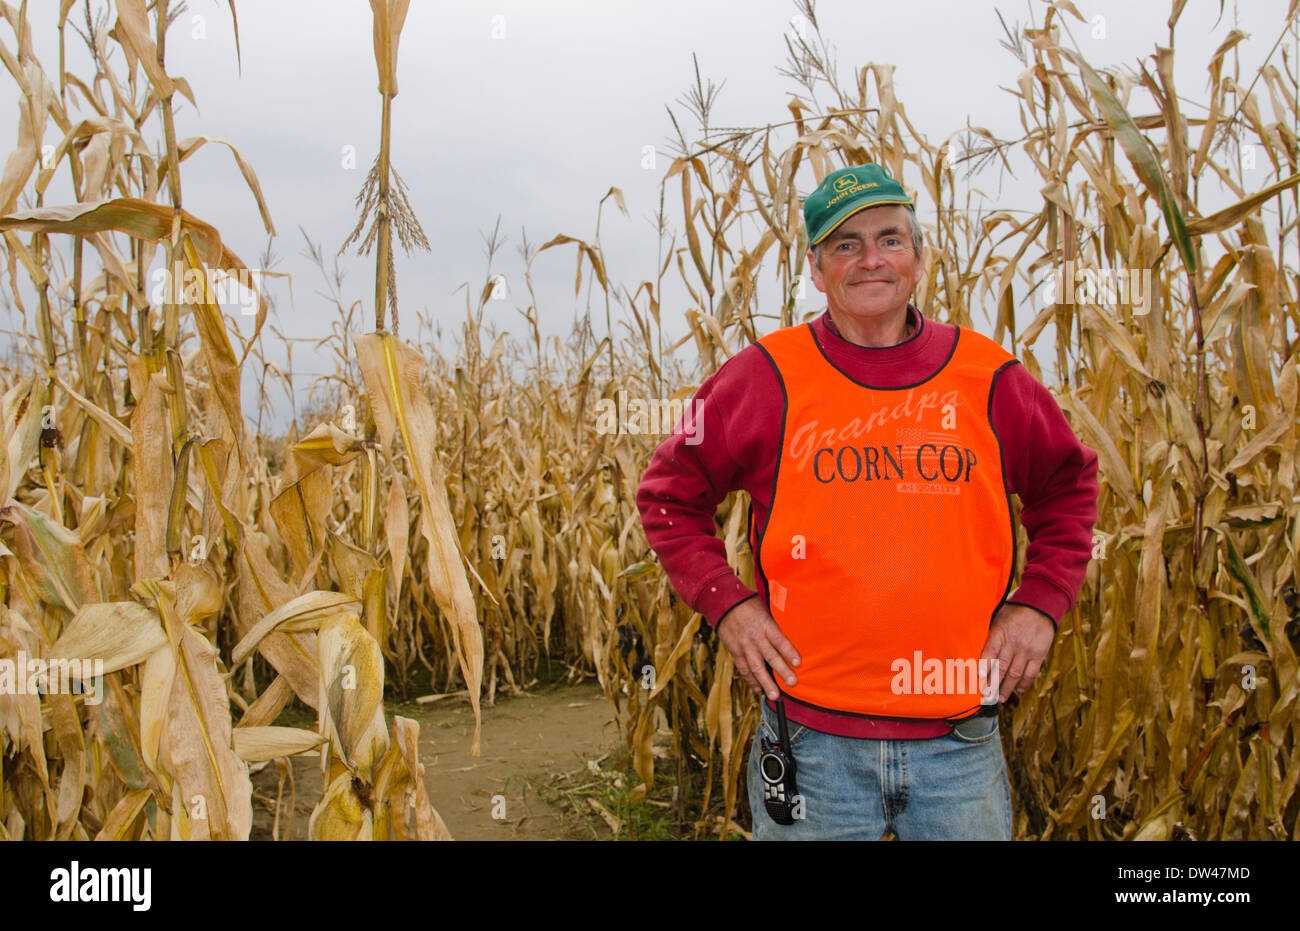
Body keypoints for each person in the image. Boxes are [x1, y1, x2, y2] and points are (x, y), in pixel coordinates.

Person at [635, 162, 1099, 840]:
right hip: (812, 743)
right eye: (845, 244)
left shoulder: (988, 376)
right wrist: (728, 606)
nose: (871, 259)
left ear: (918, 257)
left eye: (889, 238)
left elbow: (1067, 485)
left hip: (959, 743)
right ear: (816, 271)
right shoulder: (766, 376)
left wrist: (1038, 604)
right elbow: (668, 494)